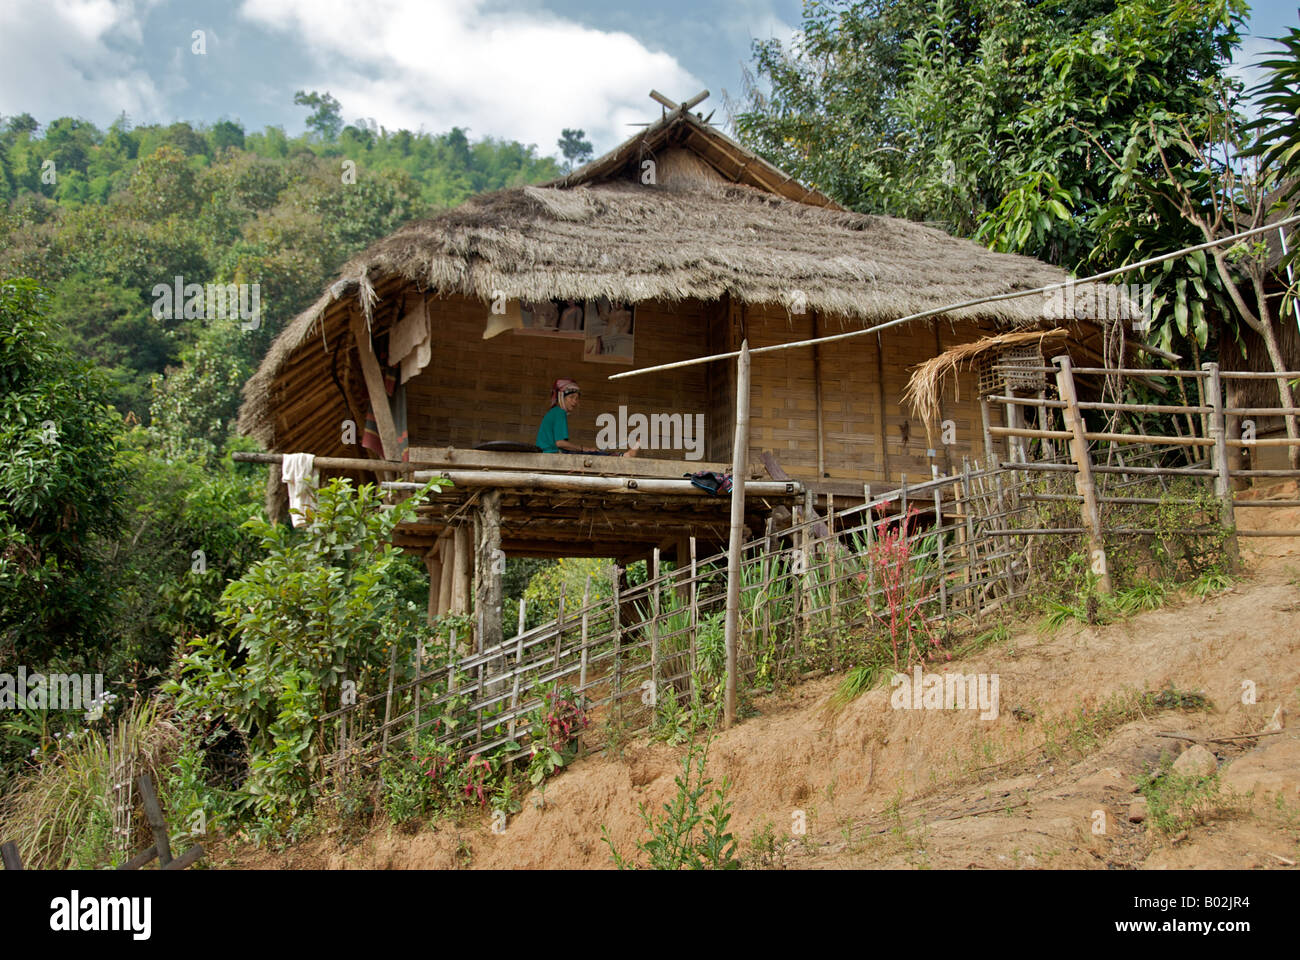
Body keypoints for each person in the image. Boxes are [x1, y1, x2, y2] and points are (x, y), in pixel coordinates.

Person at [536, 378, 638, 456]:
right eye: (571, 397)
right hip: (551, 453)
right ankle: (623, 456)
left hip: (550, 452)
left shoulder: (554, 412)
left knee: (590, 452)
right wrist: (584, 448)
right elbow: (560, 443)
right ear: (561, 397)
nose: (575, 401)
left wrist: (584, 449)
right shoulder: (559, 412)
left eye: (576, 398)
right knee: (591, 455)